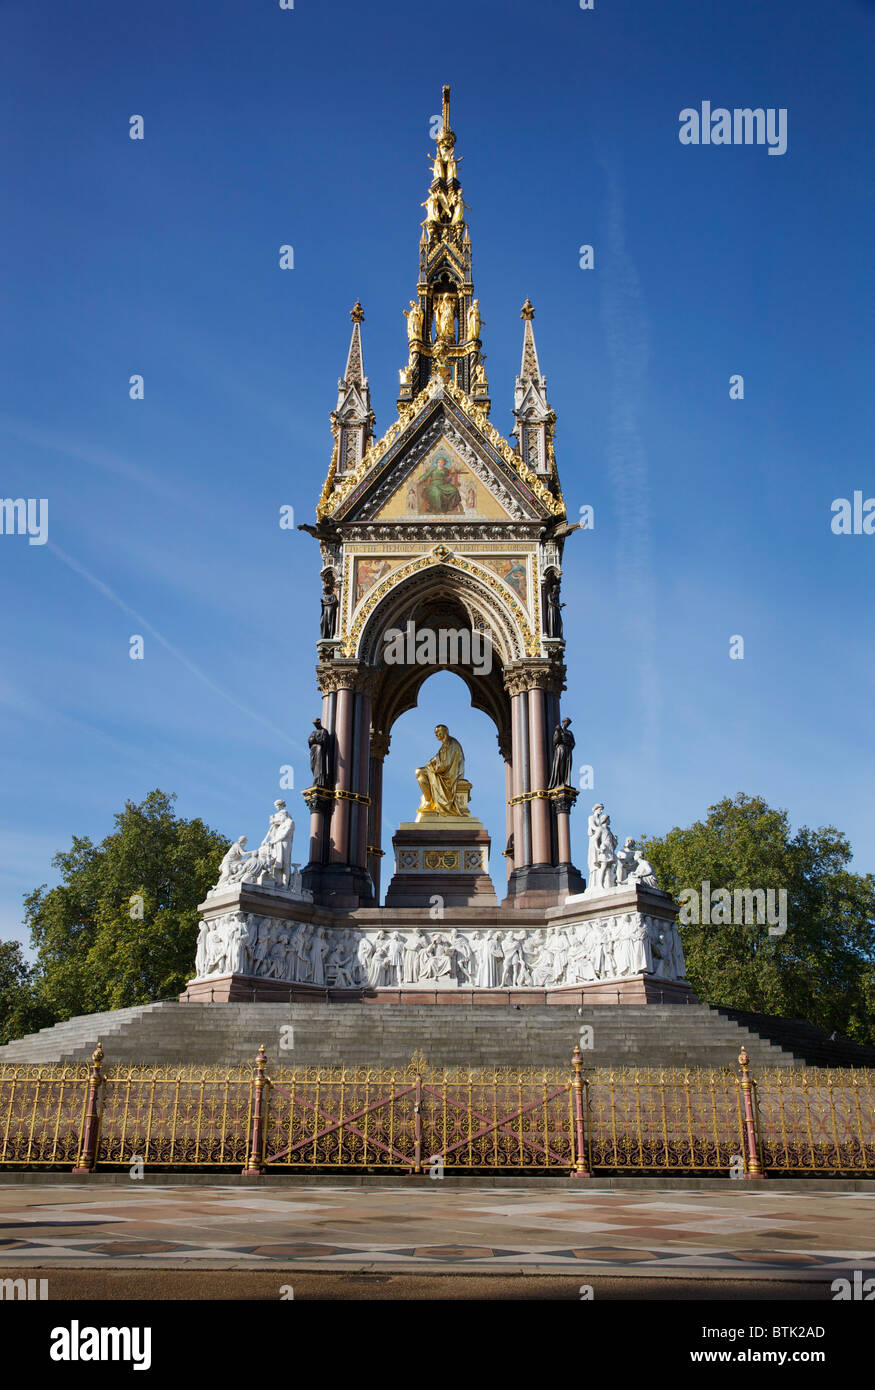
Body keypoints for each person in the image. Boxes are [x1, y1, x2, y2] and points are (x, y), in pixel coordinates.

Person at [415, 725, 468, 817]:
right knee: (420, 772)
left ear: (445, 732)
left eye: (438, 732)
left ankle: (428, 802)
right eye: (435, 733)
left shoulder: (451, 743)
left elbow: (446, 764)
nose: (437, 734)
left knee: (419, 772)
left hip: (448, 776)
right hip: (443, 773)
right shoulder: (446, 744)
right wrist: (429, 764)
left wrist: (433, 769)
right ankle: (429, 801)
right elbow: (436, 759)